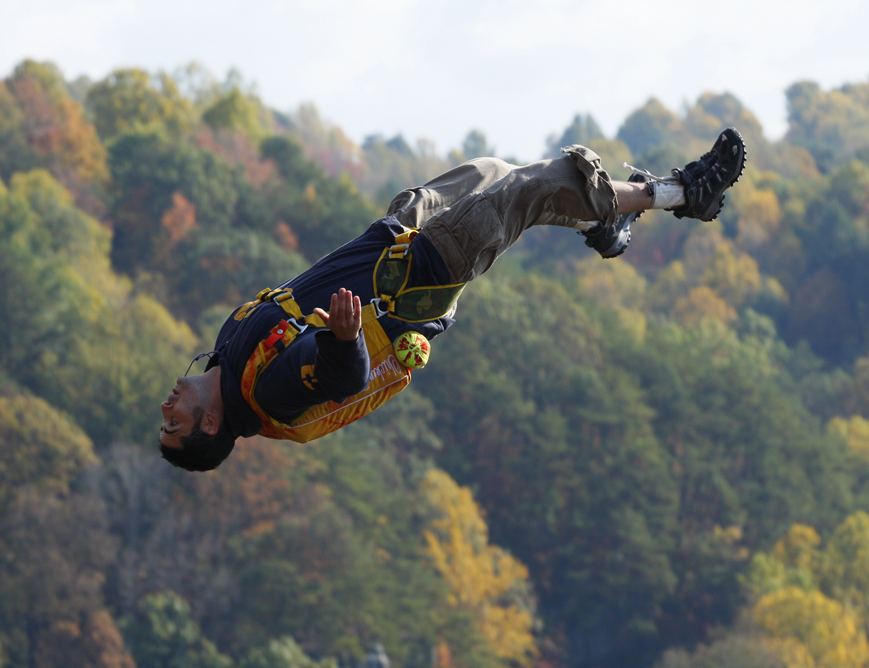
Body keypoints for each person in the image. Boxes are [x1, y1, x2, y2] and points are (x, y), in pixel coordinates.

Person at [159, 128, 747, 471]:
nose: (165, 411)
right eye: (174, 426)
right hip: (418, 277)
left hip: (393, 237)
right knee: (533, 189)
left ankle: (607, 223)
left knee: (490, 170)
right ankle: (679, 192)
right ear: (210, 426)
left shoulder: (226, 353)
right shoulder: (262, 393)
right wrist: (342, 341)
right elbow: (336, 377)